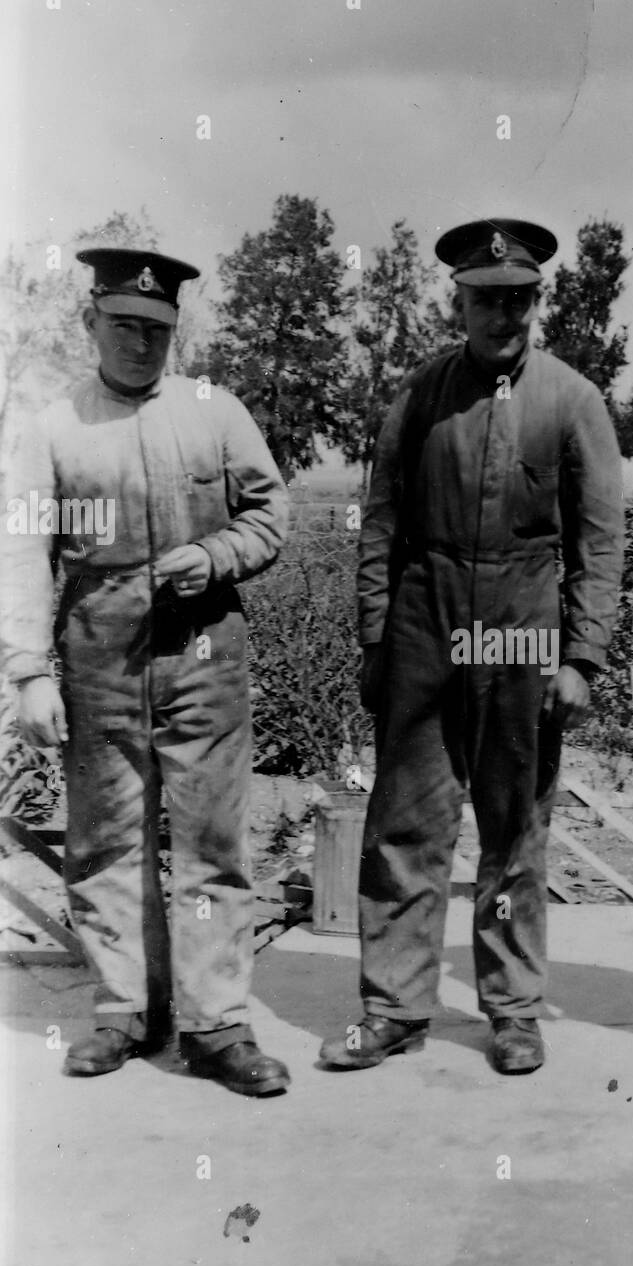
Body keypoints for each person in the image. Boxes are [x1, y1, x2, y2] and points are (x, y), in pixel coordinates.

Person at [319, 218, 624, 1075]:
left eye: (518, 299)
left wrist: (582, 657)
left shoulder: (573, 401)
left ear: (537, 300)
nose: (503, 316)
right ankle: (392, 1008)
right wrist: (375, 638)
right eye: (486, 300)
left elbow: (600, 543)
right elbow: (381, 523)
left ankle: (515, 1011)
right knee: (404, 824)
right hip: (427, 618)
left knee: (514, 826)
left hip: (525, 624)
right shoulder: (420, 396)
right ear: (458, 301)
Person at [0, 248, 291, 1096]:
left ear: (174, 331)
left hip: (205, 648)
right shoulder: (53, 427)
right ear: (90, 321)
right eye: (124, 326)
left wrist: (217, 554)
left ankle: (216, 1024)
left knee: (212, 841)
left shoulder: (215, 411)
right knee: (105, 841)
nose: (140, 343)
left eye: (156, 330)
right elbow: (22, 552)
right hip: (98, 650)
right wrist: (29, 674)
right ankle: (125, 1010)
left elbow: (269, 512)